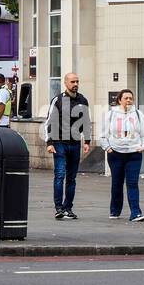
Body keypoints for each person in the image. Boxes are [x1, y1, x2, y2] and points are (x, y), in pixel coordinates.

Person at [41, 71, 93, 219]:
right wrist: (49, 143)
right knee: (60, 175)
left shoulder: (83, 100)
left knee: (71, 178)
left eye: (77, 82)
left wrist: (87, 141)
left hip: (75, 143)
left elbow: (86, 122)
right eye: (72, 82)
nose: (75, 84)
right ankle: (59, 208)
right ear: (66, 83)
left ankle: (67, 208)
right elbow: (49, 122)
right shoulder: (57, 100)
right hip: (59, 143)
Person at [100, 89, 144, 221]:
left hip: (134, 154)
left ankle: (136, 213)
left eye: (131, 98)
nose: (128, 100)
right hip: (115, 154)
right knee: (116, 183)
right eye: (126, 98)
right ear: (119, 100)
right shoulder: (111, 114)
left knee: (132, 183)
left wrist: (143, 146)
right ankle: (115, 211)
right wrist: (108, 148)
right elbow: (103, 135)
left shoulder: (138, 114)